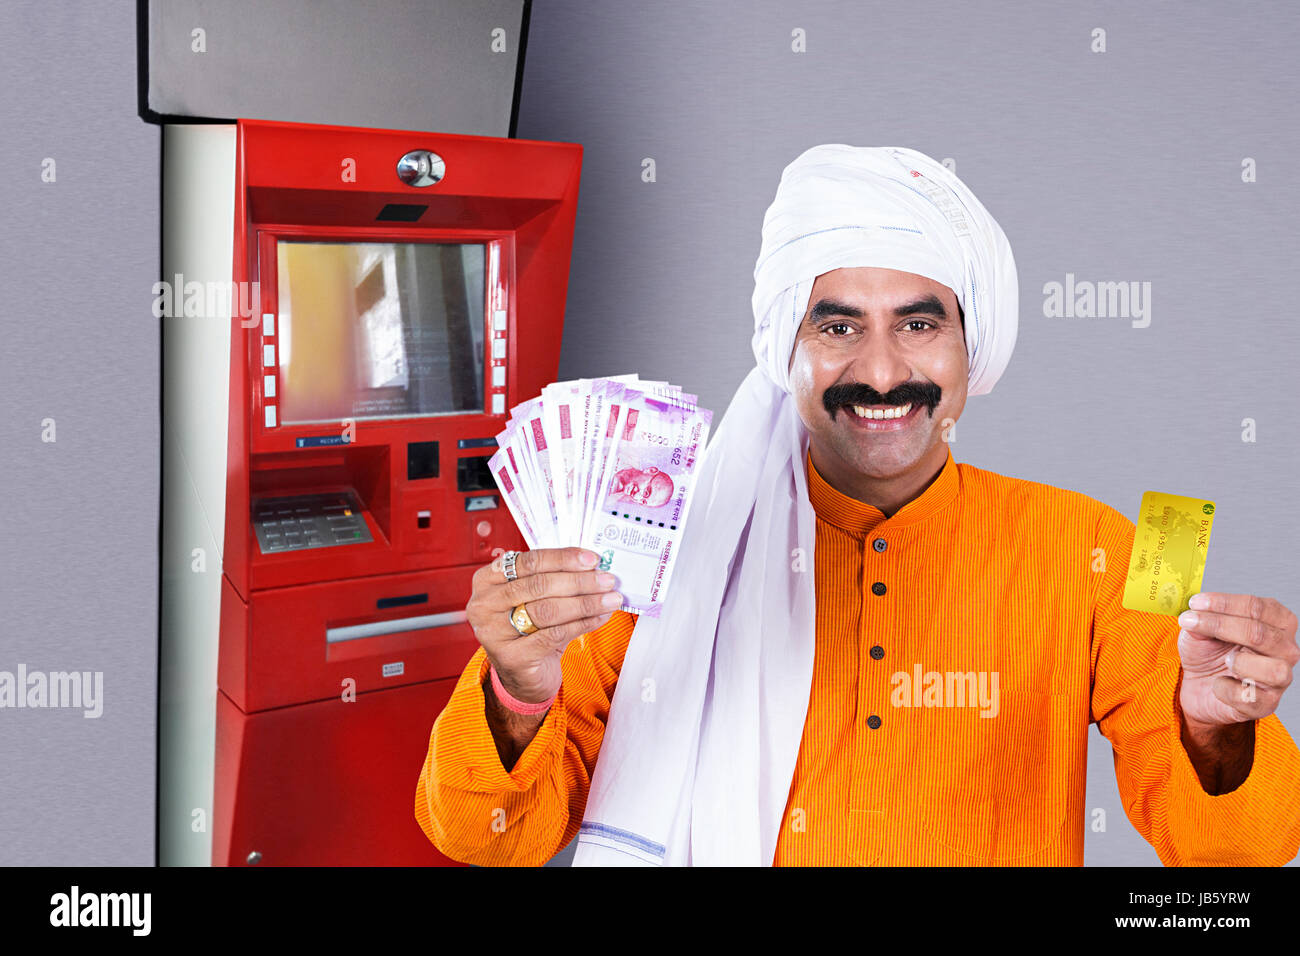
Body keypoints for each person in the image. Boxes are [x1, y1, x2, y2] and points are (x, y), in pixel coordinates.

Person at [415, 145, 1300, 866]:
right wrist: (517, 688)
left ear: (970, 347)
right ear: (783, 348)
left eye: (919, 324)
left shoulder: (1109, 544)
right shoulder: (655, 552)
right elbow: (488, 839)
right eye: (837, 327)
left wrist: (1216, 730)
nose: (880, 373)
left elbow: (1241, 855)